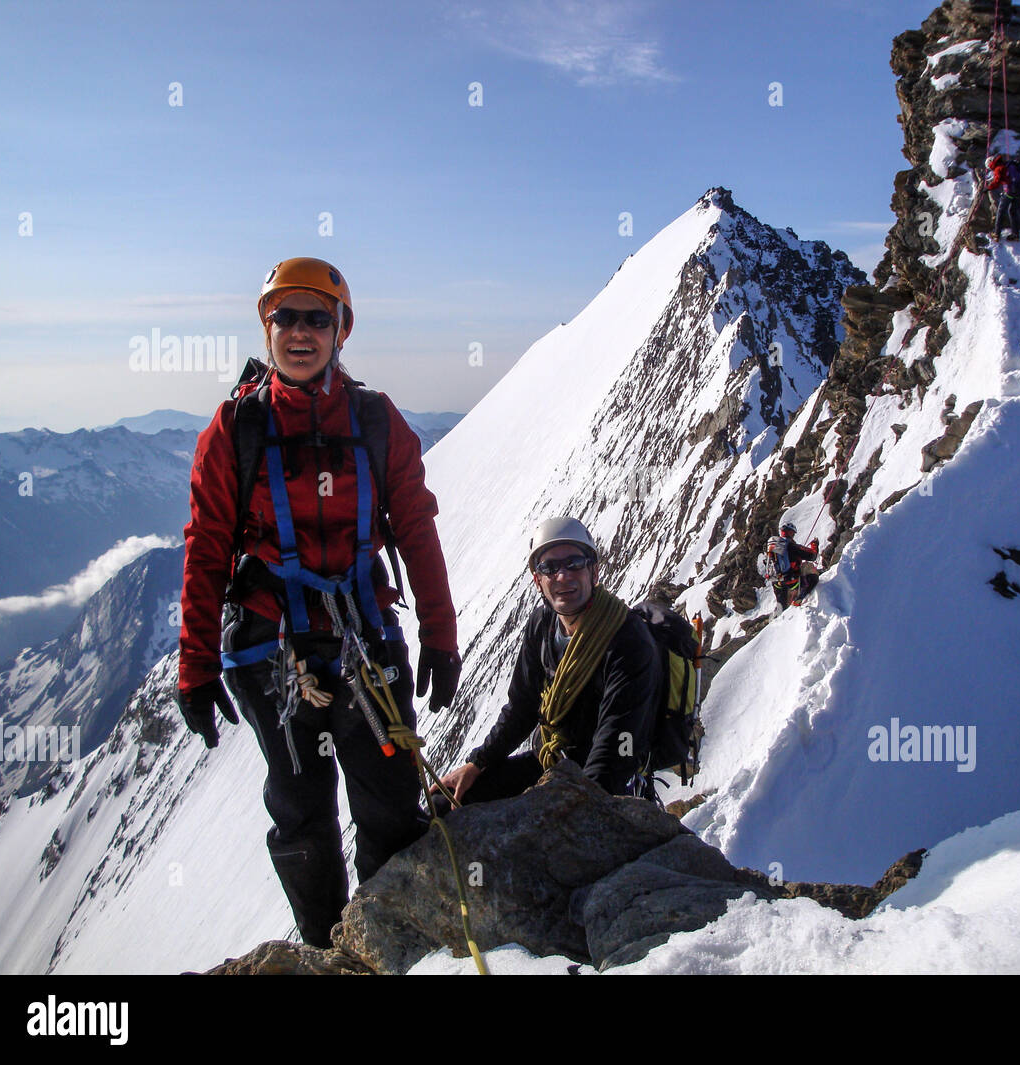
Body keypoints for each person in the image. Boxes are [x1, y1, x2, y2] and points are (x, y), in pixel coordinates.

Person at [176, 256, 461, 948]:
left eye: (317, 317)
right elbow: (207, 546)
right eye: (286, 317)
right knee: (303, 812)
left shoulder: (375, 421)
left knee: (390, 807)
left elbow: (417, 530)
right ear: (266, 326)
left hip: (363, 634)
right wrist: (195, 666)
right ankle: (330, 950)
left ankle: (391, 941)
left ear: (342, 329)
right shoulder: (233, 430)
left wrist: (441, 634)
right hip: (273, 649)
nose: (301, 332)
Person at [434, 516, 660, 806]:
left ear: (594, 571)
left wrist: (582, 808)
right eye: (550, 568)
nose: (563, 576)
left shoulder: (628, 640)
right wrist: (478, 762)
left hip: (607, 777)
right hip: (553, 761)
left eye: (574, 563)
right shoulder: (542, 624)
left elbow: (620, 741)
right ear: (537, 580)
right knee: (445, 803)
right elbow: (523, 708)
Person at [766, 521, 819, 609]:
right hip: (791, 581)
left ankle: (780, 612)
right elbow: (812, 556)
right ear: (791, 533)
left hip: (777, 583)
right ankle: (798, 599)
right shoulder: (791, 546)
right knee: (813, 577)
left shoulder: (775, 547)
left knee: (782, 606)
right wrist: (814, 545)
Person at [984, 153, 1020, 241]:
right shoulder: (1009, 164)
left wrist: (988, 188)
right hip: (1019, 191)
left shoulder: (998, 168)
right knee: (1012, 211)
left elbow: (997, 181)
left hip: (1009, 192)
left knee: (1001, 211)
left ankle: (996, 233)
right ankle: (1015, 234)